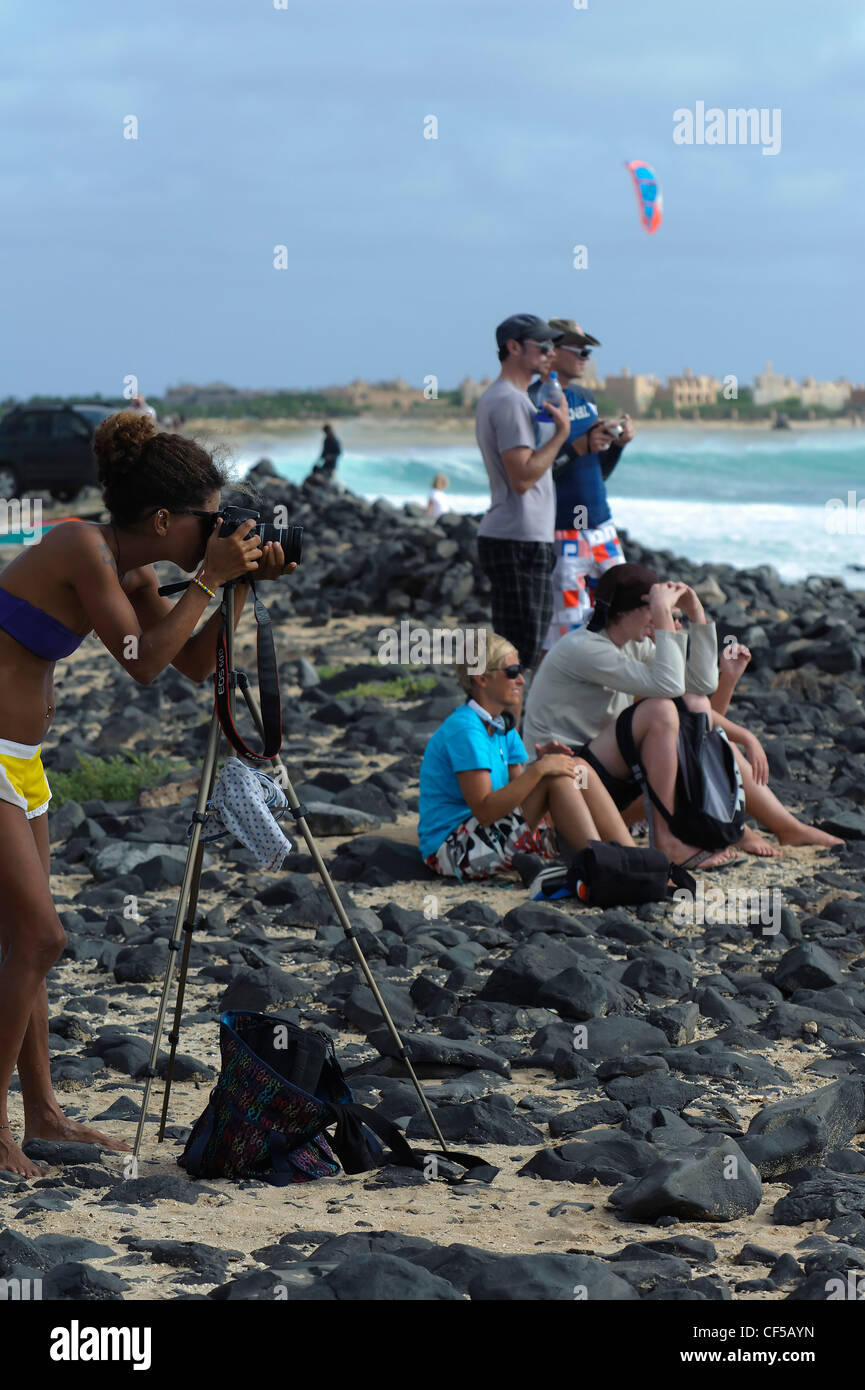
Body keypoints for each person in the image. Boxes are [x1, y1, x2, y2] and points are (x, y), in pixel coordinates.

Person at [0, 410, 298, 1179]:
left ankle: (42, 1115)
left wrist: (232, 591)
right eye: (210, 518)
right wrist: (210, 578)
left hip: (23, 759)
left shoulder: (128, 569)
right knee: (40, 940)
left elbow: (191, 664)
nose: (220, 528)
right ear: (165, 518)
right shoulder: (77, 545)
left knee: (26, 944)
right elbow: (137, 660)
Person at [523, 563, 843, 867]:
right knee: (661, 711)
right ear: (622, 611)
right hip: (569, 781)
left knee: (706, 734)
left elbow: (698, 692)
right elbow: (668, 687)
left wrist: (695, 612)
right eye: (652, 608)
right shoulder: (585, 648)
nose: (658, 616)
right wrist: (664, 616)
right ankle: (668, 841)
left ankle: (786, 827)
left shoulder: (631, 646)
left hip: (606, 778)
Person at [418, 631, 635, 881]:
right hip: (453, 849)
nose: (521, 680)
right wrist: (539, 770)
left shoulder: (502, 725)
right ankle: (604, 871)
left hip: (487, 833)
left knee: (578, 768)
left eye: (521, 671)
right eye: (512, 672)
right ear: (482, 678)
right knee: (554, 777)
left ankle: (632, 860)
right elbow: (486, 810)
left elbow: (516, 795)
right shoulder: (466, 729)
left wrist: (542, 767)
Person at [474, 314, 572, 672]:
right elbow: (523, 476)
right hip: (518, 538)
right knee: (519, 655)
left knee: (518, 650)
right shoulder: (510, 401)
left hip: (519, 536)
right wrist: (561, 435)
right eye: (543, 346)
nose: (551, 353)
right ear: (513, 348)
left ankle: (508, 725)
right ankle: (507, 726)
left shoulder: (514, 398)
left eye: (553, 347)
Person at [530, 319, 634, 650]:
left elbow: (597, 472)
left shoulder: (585, 398)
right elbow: (534, 475)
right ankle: (550, 701)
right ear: (553, 351)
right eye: (581, 351)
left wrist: (616, 445)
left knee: (625, 618)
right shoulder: (534, 400)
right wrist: (578, 448)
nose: (586, 358)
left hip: (601, 526)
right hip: (563, 532)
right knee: (566, 632)